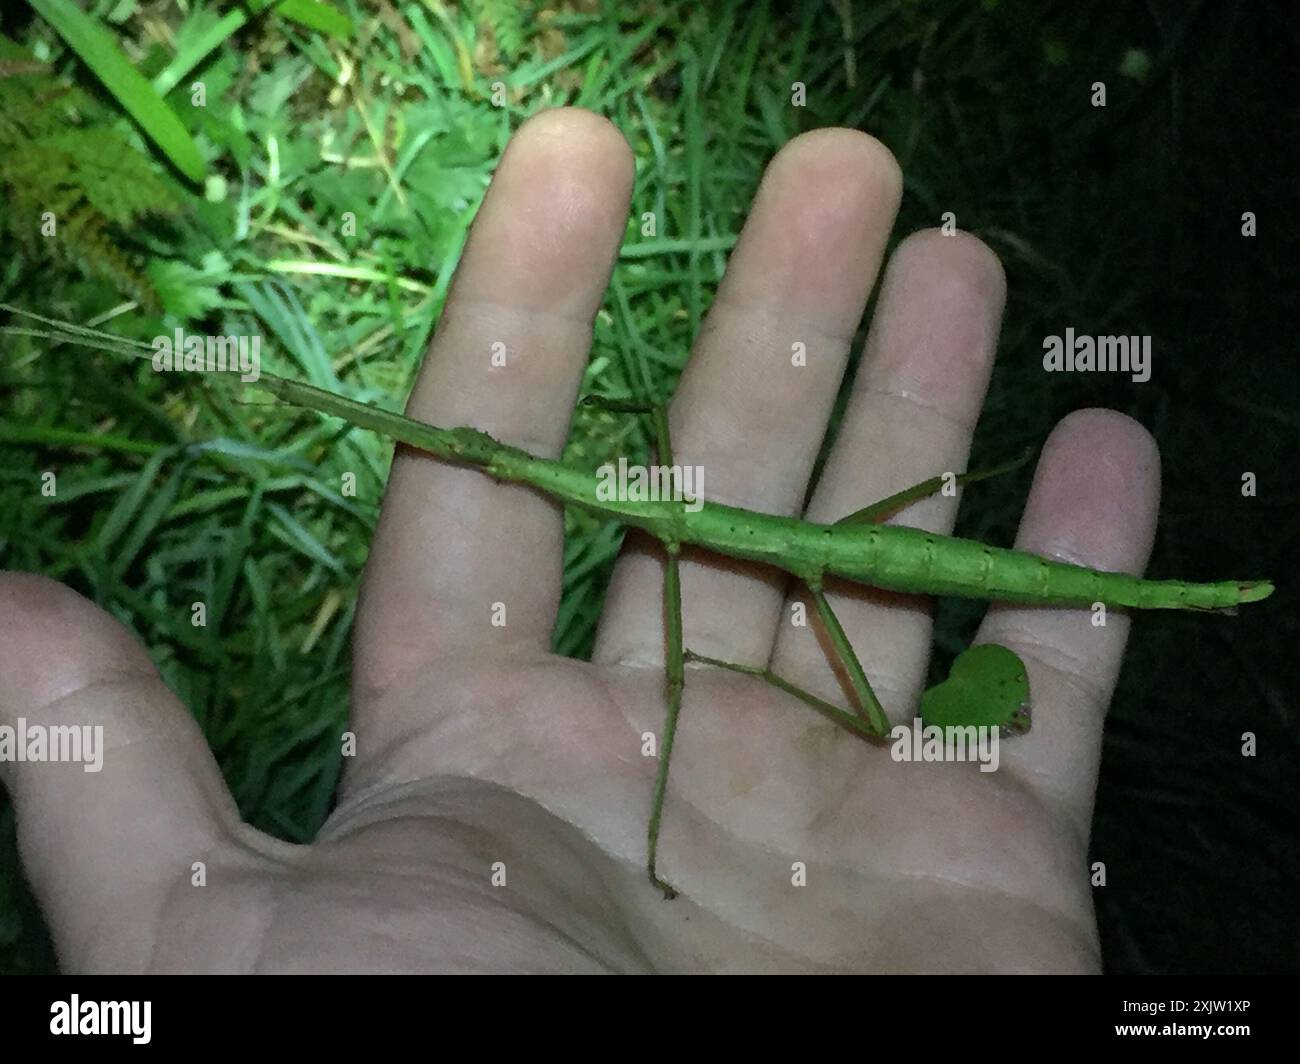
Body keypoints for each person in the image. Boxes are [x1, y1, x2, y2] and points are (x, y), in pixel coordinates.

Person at [0, 108, 1159, 973]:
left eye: (485, 454)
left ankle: (1048, 536)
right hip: (840, 554)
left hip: (855, 552)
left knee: (803, 656)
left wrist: (658, 813)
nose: (481, 456)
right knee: (834, 674)